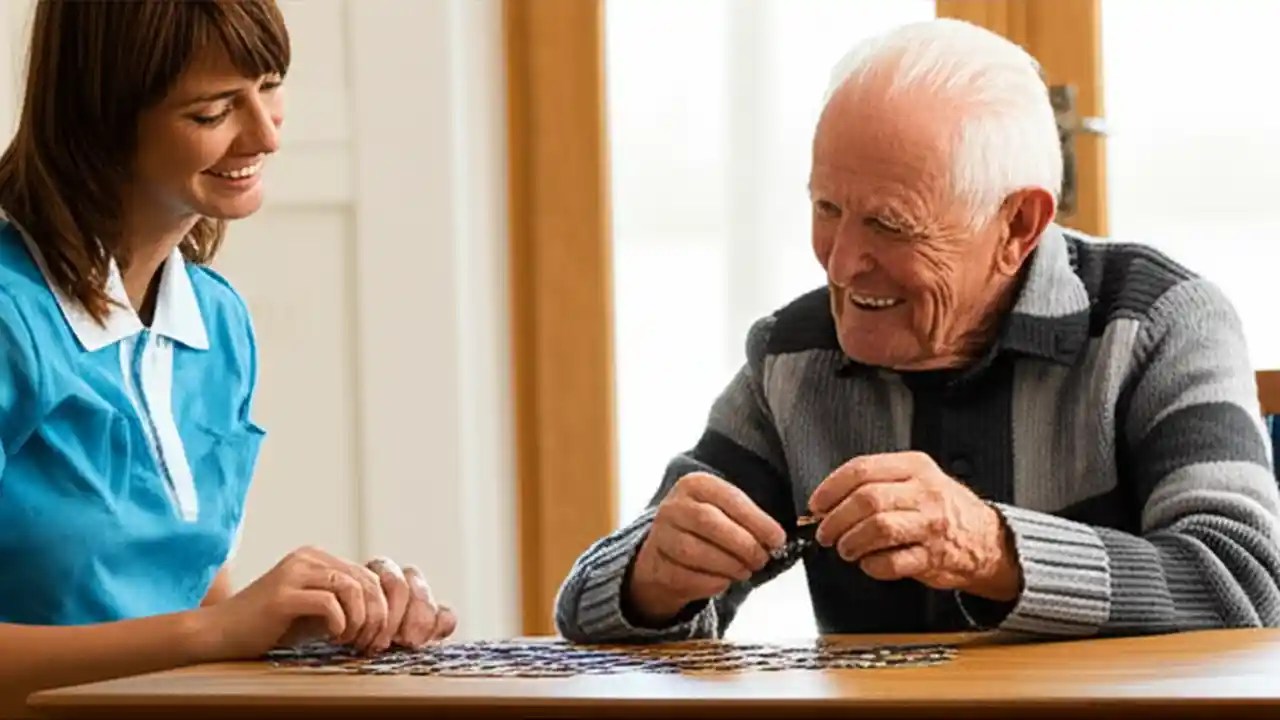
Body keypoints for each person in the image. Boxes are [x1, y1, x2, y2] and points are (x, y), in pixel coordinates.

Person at [555, 18, 1280, 642]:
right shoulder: (791, 354)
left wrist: (992, 548)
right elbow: (588, 606)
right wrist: (650, 581)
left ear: (1018, 225)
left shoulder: (1159, 321)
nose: (841, 265)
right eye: (827, 208)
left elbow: (1247, 585)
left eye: (888, 225)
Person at [0, 0, 455, 697]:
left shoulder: (216, 324)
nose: (265, 136)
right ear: (101, 119)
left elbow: (194, 610)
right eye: (212, 113)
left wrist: (305, 625)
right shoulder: (10, 317)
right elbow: (201, 631)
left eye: (270, 85)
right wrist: (217, 632)